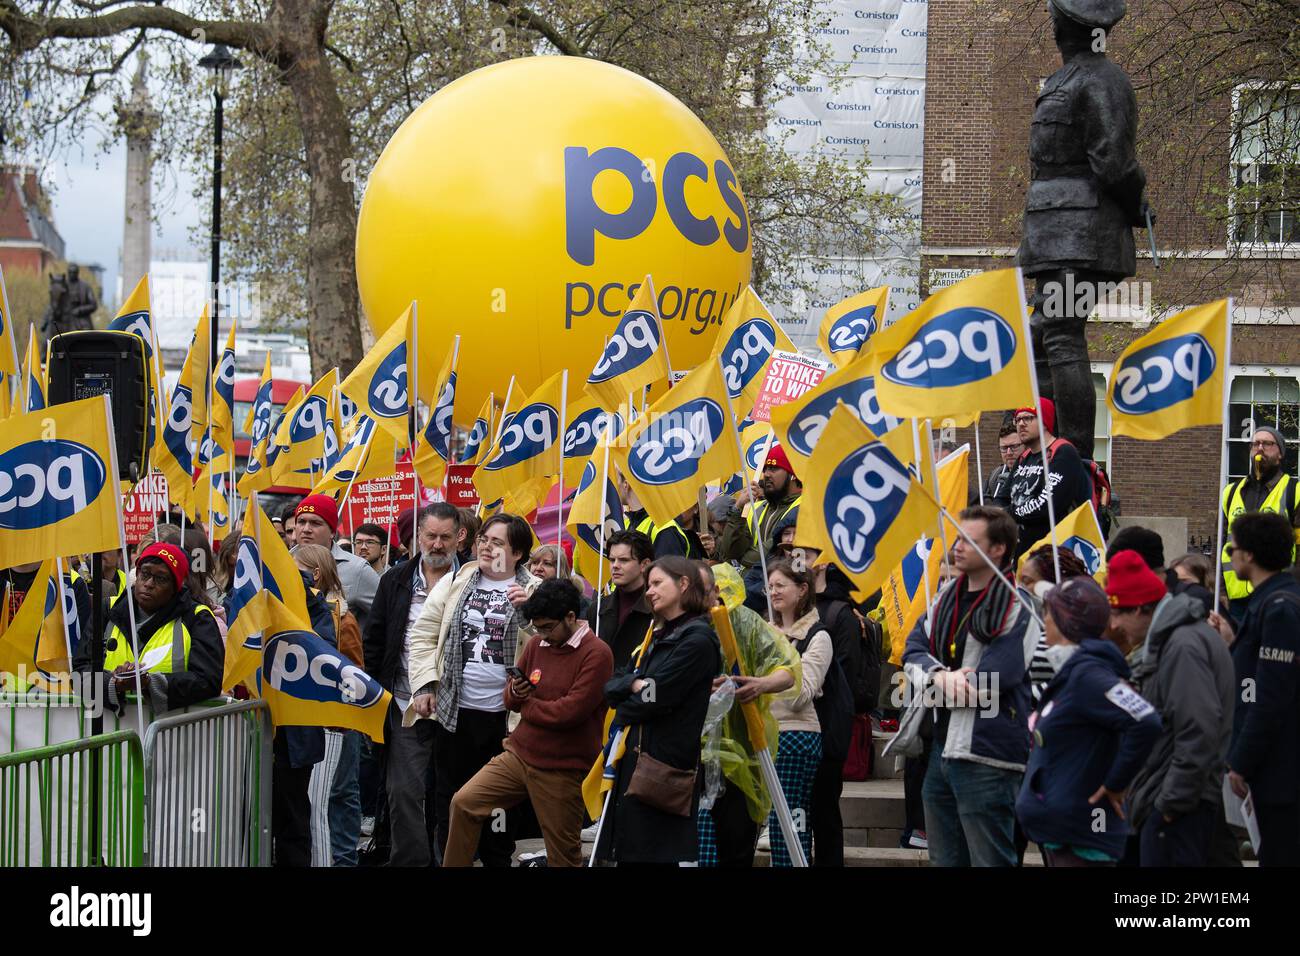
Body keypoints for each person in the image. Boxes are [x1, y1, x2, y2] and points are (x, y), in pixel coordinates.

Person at [902, 506, 1039, 867]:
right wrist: (942, 677)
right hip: (941, 750)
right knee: (944, 860)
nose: (957, 546)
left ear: (998, 549)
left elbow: (993, 684)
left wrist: (931, 681)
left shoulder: (1018, 604)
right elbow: (912, 650)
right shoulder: (944, 598)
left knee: (990, 861)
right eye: (958, 538)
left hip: (988, 756)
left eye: (969, 541)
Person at [444, 579, 613, 867]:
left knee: (563, 855)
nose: (542, 635)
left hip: (563, 767)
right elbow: (511, 697)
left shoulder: (597, 653)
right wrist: (515, 692)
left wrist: (528, 704)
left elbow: (568, 713)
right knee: (464, 803)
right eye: (537, 628)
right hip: (518, 754)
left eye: (547, 627)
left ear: (571, 617)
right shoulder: (537, 643)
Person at [406, 513, 540, 866]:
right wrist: (423, 686)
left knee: (500, 805)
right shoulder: (457, 580)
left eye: (497, 543)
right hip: (454, 713)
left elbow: (554, 644)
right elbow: (422, 635)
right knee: (449, 798)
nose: (486, 547)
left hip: (505, 720)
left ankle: (496, 861)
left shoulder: (536, 591)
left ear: (519, 554)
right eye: (483, 539)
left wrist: (529, 615)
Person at [1016, 577, 1162, 866]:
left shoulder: (1089, 675)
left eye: (1048, 613)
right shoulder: (1076, 671)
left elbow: (1146, 720)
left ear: (1065, 624)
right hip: (1065, 833)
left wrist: (1115, 784)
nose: (1043, 620)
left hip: (1082, 840)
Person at [1104, 550, 1234, 867]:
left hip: (1177, 806)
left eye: (1119, 613)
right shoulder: (1176, 639)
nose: (1115, 624)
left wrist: (1170, 804)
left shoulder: (1182, 645)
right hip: (1170, 799)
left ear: (1141, 610)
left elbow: (1198, 727)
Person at [594, 556, 722, 866]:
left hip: (661, 769)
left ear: (683, 584)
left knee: (652, 856)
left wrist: (634, 689)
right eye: (648, 584)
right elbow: (612, 685)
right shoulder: (658, 634)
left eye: (656, 583)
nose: (649, 592)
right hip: (636, 760)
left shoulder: (698, 639)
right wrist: (634, 685)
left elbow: (652, 699)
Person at [362, 503, 461, 866]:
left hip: (459, 707)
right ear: (417, 537)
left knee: (451, 795)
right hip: (403, 704)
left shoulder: (472, 579)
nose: (437, 545)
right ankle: (412, 862)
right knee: (403, 791)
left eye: (445, 537)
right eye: (430, 536)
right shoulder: (395, 579)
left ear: (459, 537)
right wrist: (376, 696)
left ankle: (450, 859)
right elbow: (374, 640)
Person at [695, 562, 801, 867]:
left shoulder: (745, 623)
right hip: (685, 750)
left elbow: (787, 670)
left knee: (736, 839)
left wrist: (760, 684)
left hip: (742, 746)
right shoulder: (673, 625)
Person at [1217, 512, 1300, 866]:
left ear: (1248, 555)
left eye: (1233, 548)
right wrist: (1235, 642)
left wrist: (1242, 761)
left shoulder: (1279, 607)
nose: (1230, 554)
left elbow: (1270, 697)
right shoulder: (1273, 600)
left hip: (1281, 772)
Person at [74, 542, 222, 715]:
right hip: (112, 734)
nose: (149, 583)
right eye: (145, 574)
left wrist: (149, 682)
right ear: (137, 574)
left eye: (161, 578)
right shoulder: (107, 609)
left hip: (169, 735)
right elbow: (80, 671)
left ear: (176, 586)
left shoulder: (197, 618)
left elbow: (208, 681)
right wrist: (113, 683)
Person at [294, 544, 365, 867]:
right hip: (303, 724)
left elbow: (354, 673)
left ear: (315, 574)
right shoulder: (293, 612)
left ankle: (342, 860)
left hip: (334, 725)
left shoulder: (341, 618)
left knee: (332, 798)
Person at [764, 560, 832, 867]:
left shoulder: (818, 636)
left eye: (781, 585)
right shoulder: (766, 629)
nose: (773, 592)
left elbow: (801, 693)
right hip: (765, 735)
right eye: (771, 586)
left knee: (791, 822)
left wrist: (775, 646)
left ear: (803, 589)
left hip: (796, 737)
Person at [1219, 426, 1300, 621]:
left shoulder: (1294, 491)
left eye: (1268, 443)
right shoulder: (1231, 492)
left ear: (1280, 453)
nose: (1260, 448)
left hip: (1277, 594)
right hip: (1236, 597)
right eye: (1255, 444)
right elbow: (1221, 543)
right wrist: (1220, 591)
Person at [1008, 398, 1093, 559]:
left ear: (1045, 421)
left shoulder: (1063, 453)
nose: (1021, 424)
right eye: (1018, 419)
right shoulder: (1024, 458)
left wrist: (1009, 514)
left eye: (1028, 418)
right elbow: (1004, 497)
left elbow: (1047, 505)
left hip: (1051, 555)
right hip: (1020, 553)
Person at [292, 494, 380, 633]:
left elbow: (389, 615)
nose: (306, 529)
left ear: (332, 532)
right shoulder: (282, 562)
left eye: (315, 523)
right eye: (301, 521)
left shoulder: (357, 569)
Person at [720, 443, 802, 574]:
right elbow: (730, 552)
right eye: (765, 469)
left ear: (792, 474)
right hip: (754, 589)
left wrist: (742, 559)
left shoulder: (803, 508)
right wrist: (738, 509)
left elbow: (760, 557)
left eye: (774, 468)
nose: (767, 474)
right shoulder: (756, 508)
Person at [585, 529, 655, 672]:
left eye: (624, 560)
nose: (615, 565)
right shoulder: (597, 609)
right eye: (612, 560)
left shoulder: (658, 609)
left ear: (645, 564)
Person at [631, 504, 708, 560]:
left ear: (695, 508)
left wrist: (712, 553)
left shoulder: (709, 533)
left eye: (683, 503)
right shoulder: (666, 530)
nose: (678, 508)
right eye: (675, 503)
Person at [982, 425, 1022, 510]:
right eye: (1004, 448)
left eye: (1014, 446)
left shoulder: (1036, 472)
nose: (1008, 453)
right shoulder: (995, 475)